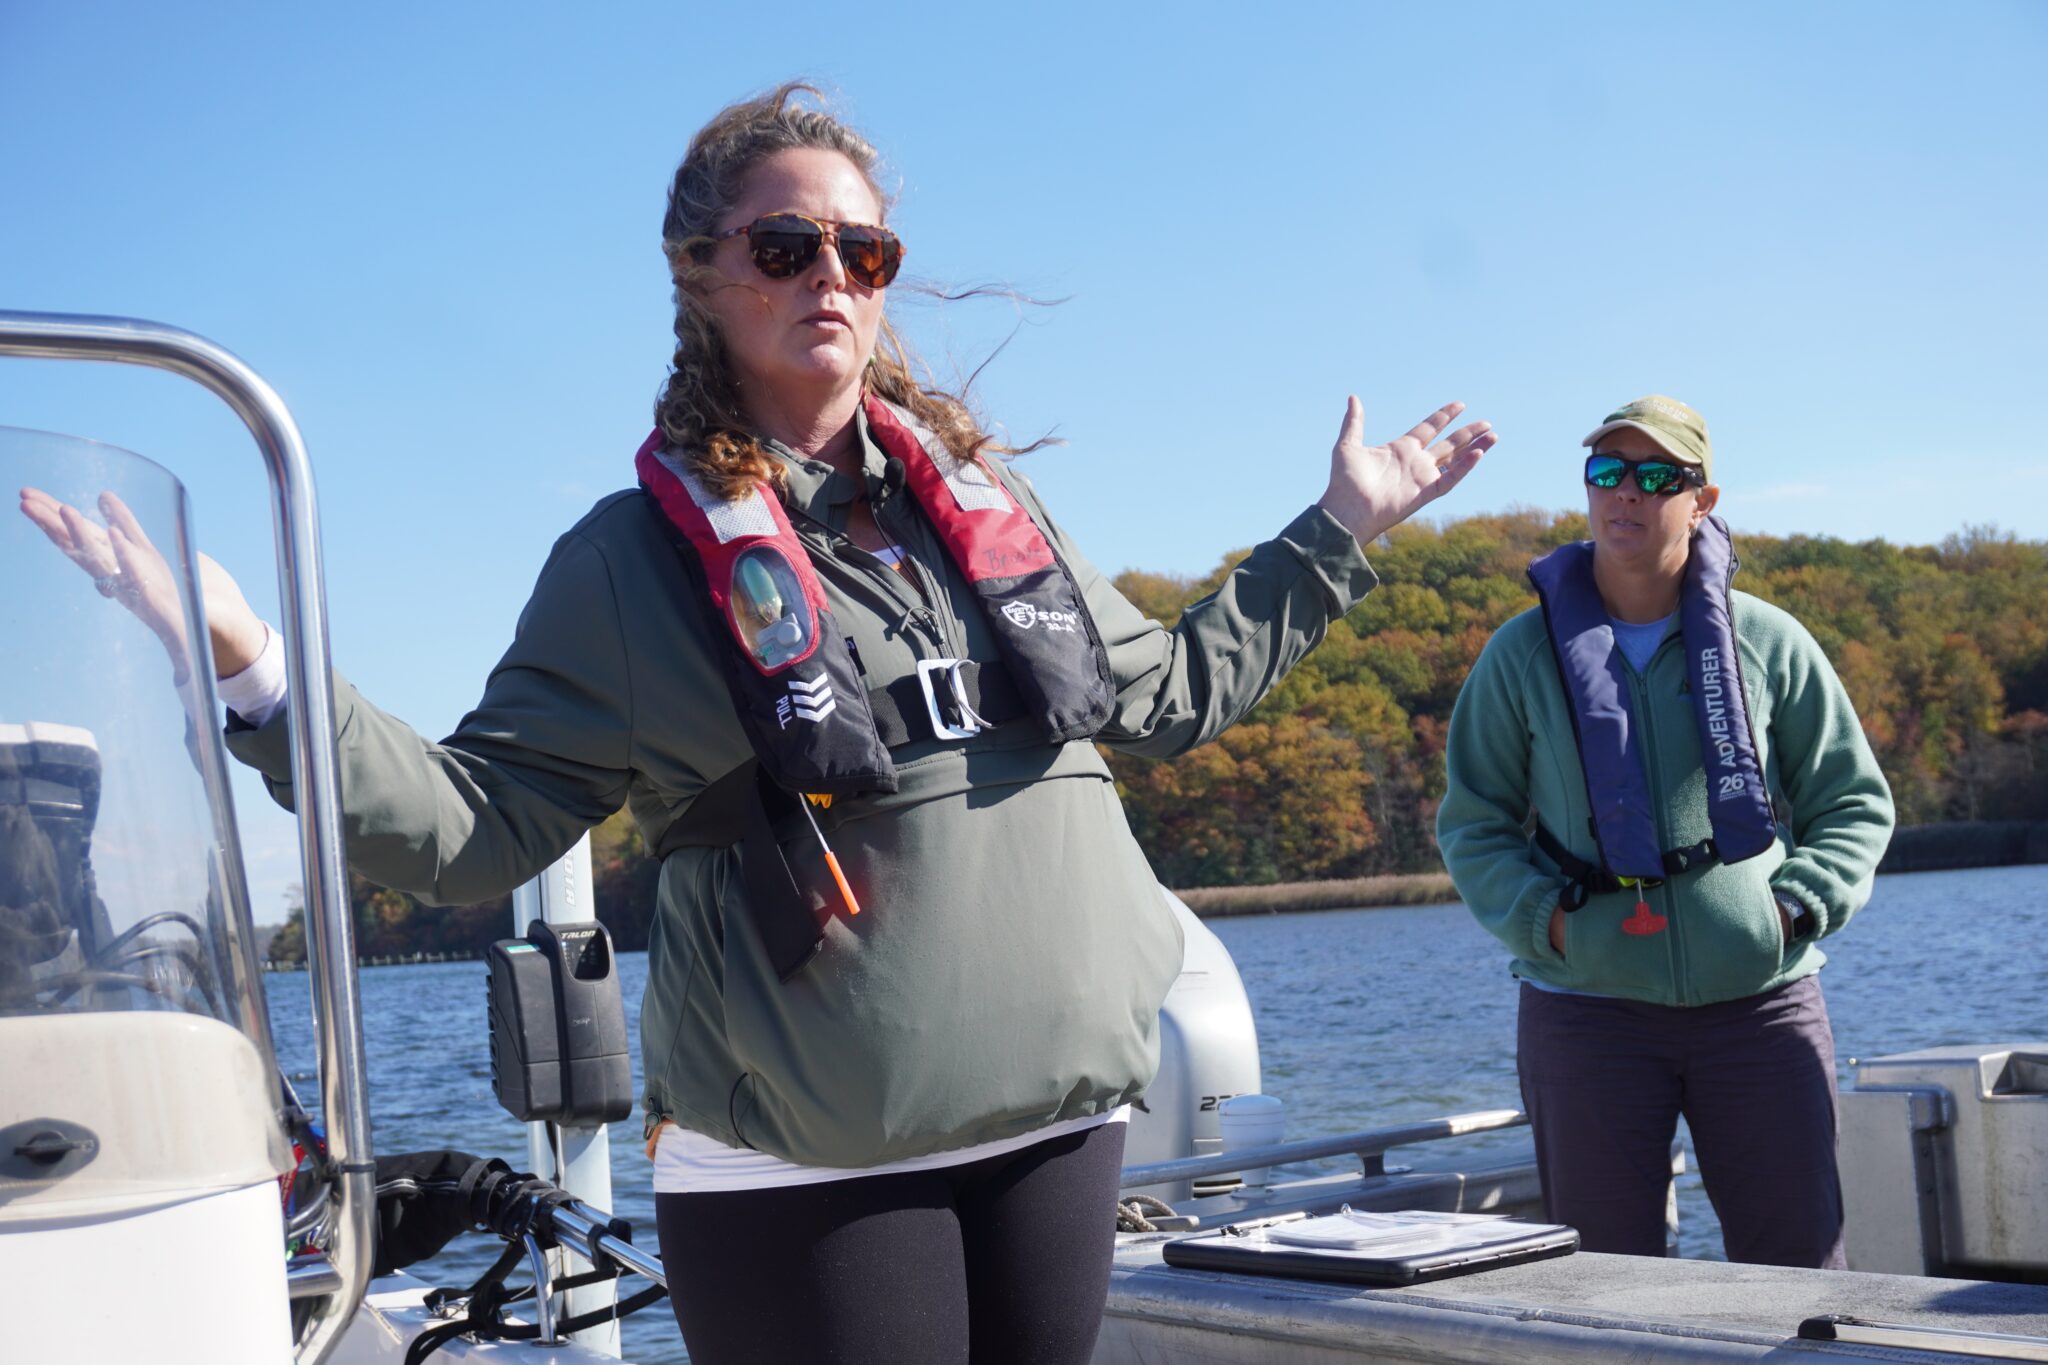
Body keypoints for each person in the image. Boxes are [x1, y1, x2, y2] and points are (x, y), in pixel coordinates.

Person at [23, 84, 1496, 1363]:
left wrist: (1340, 530)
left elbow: (1167, 699)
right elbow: (479, 828)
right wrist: (252, 661)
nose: (832, 278)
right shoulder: (627, 566)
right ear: (701, 277)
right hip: (810, 1176)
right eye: (787, 248)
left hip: (1059, 1129)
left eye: (865, 251)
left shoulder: (987, 514)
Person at [1436, 394, 1893, 1268]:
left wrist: (1794, 907)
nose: (1625, 495)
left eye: (1655, 477)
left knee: (1799, 1276)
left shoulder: (1768, 639)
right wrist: (1548, 921)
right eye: (1606, 473)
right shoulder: (1522, 653)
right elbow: (1473, 822)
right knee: (1605, 1284)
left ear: (1703, 500)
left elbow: (1853, 802)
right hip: (1588, 1015)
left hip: (1762, 1008)